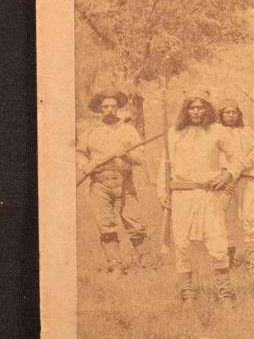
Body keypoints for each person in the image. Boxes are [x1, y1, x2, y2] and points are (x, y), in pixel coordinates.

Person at [157, 93, 244, 305]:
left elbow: (238, 157)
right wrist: (162, 193)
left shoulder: (217, 131)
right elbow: (164, 165)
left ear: (207, 109)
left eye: (200, 107)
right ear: (186, 110)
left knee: (217, 241)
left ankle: (225, 294)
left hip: (208, 195)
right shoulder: (174, 133)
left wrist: (228, 174)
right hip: (181, 195)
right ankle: (187, 294)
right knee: (182, 244)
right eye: (192, 108)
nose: (196, 112)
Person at [77, 89, 155, 275]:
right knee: (105, 224)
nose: (110, 110)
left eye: (113, 106)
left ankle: (147, 264)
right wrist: (86, 166)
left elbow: (141, 157)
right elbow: (80, 154)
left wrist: (127, 155)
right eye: (105, 107)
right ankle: (115, 266)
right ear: (99, 109)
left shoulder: (129, 130)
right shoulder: (90, 132)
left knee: (134, 222)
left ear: (119, 108)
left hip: (124, 183)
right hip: (99, 184)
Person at [216, 97, 254, 270]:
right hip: (225, 181)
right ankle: (228, 259)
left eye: (233, 112)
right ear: (221, 114)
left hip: (245, 179)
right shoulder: (216, 132)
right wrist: (228, 172)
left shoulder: (247, 131)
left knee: (250, 217)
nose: (230, 115)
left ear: (238, 113)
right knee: (226, 219)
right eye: (227, 112)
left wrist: (239, 166)